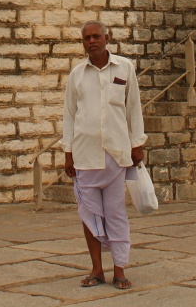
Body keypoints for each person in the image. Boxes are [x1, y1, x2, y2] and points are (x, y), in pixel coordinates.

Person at [61, 20, 146, 290]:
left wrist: (137, 143)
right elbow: (69, 115)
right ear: (83, 42)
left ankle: (119, 269)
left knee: (116, 213)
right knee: (90, 216)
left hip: (116, 154)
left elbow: (133, 108)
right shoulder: (76, 74)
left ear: (107, 38)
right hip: (85, 156)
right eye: (86, 38)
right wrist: (68, 152)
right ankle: (97, 269)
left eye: (96, 36)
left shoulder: (125, 68)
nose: (91, 41)